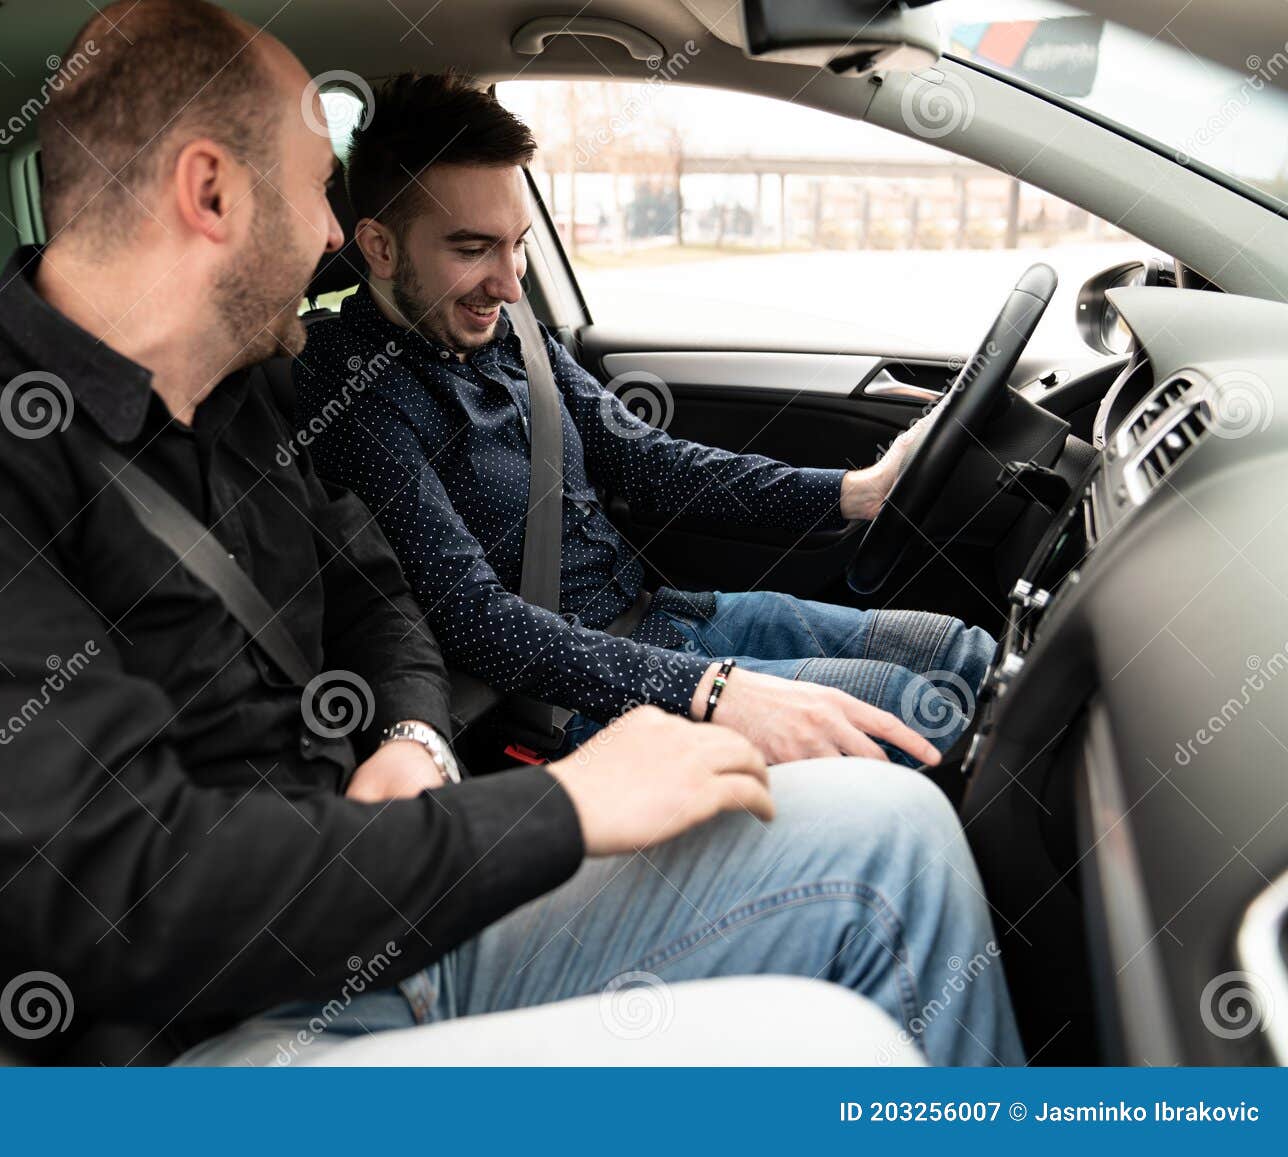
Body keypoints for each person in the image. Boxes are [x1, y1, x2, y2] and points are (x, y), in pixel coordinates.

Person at [0, 0, 1020, 1065]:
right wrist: (567, 808)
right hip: (213, 1033)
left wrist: (414, 741)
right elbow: (126, 895)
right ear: (210, 191)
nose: (328, 236)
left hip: (380, 900)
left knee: (892, 829)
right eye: (319, 188)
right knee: (859, 944)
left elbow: (385, 600)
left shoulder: (238, 391)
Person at [296, 73, 996, 769]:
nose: (510, 284)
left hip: (670, 620)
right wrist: (706, 690)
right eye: (474, 249)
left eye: (518, 245)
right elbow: (475, 620)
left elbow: (650, 460)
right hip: (574, 704)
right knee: (921, 717)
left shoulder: (509, 330)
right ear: (381, 248)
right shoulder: (352, 392)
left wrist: (855, 490)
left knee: (965, 654)